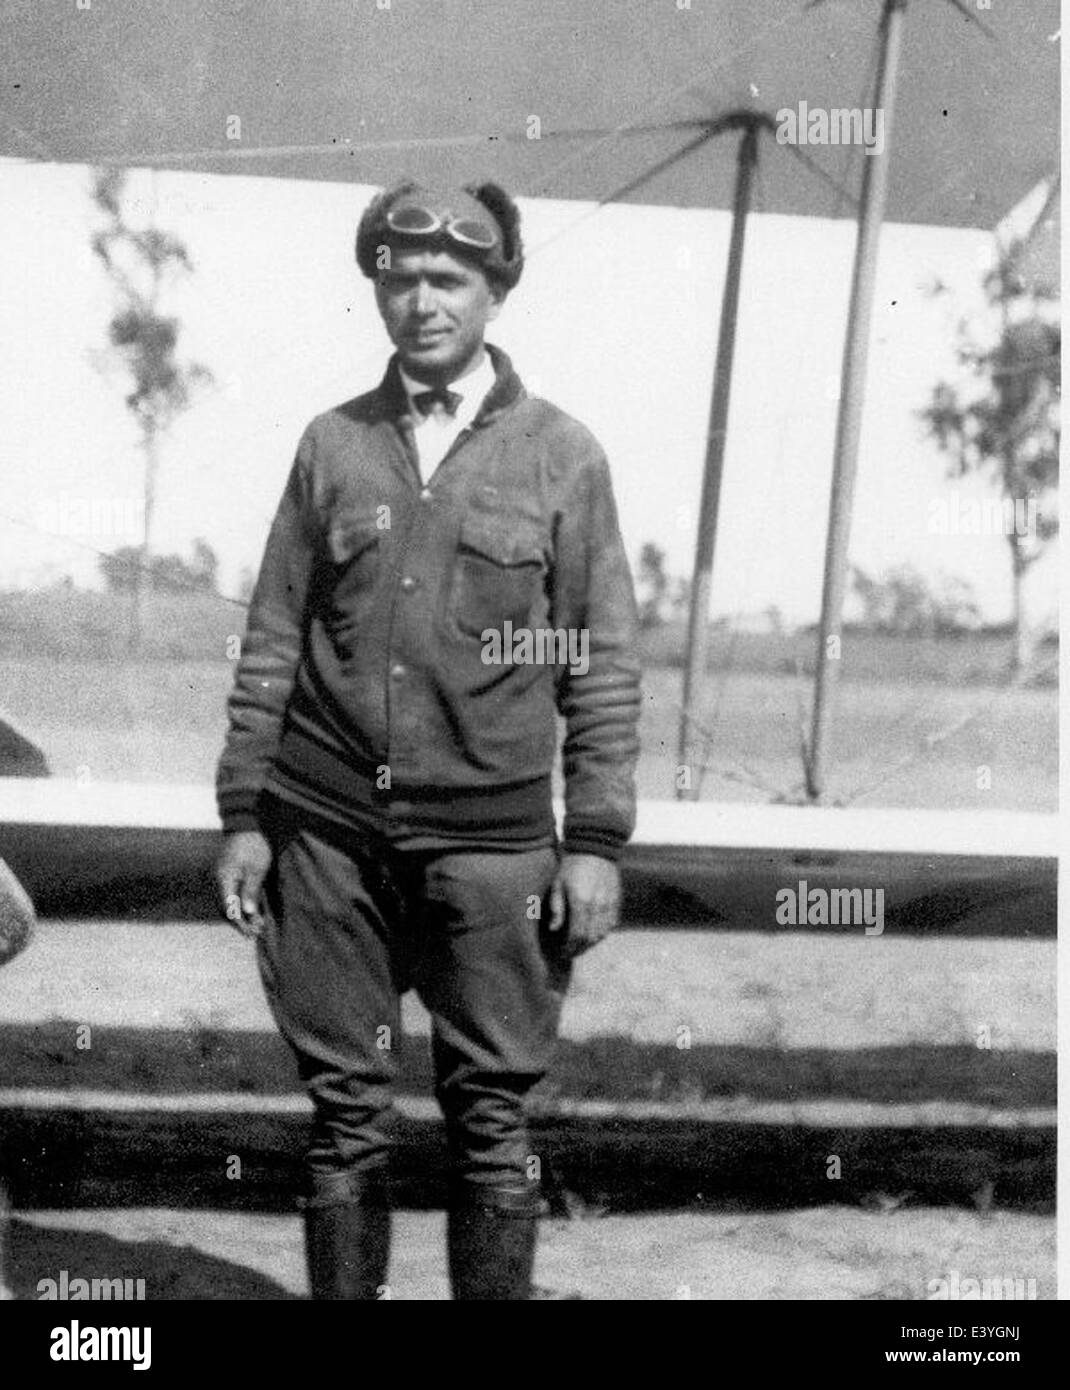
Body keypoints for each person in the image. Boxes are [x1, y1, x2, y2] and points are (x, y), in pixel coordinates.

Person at [215, 178, 641, 1300]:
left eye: (448, 279)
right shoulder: (333, 445)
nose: (421, 302)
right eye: (398, 279)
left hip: (492, 845)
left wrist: (596, 840)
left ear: (497, 291)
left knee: (491, 1118)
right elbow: (272, 638)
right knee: (344, 1115)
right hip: (326, 831)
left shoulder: (564, 457)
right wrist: (244, 813)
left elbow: (600, 661)